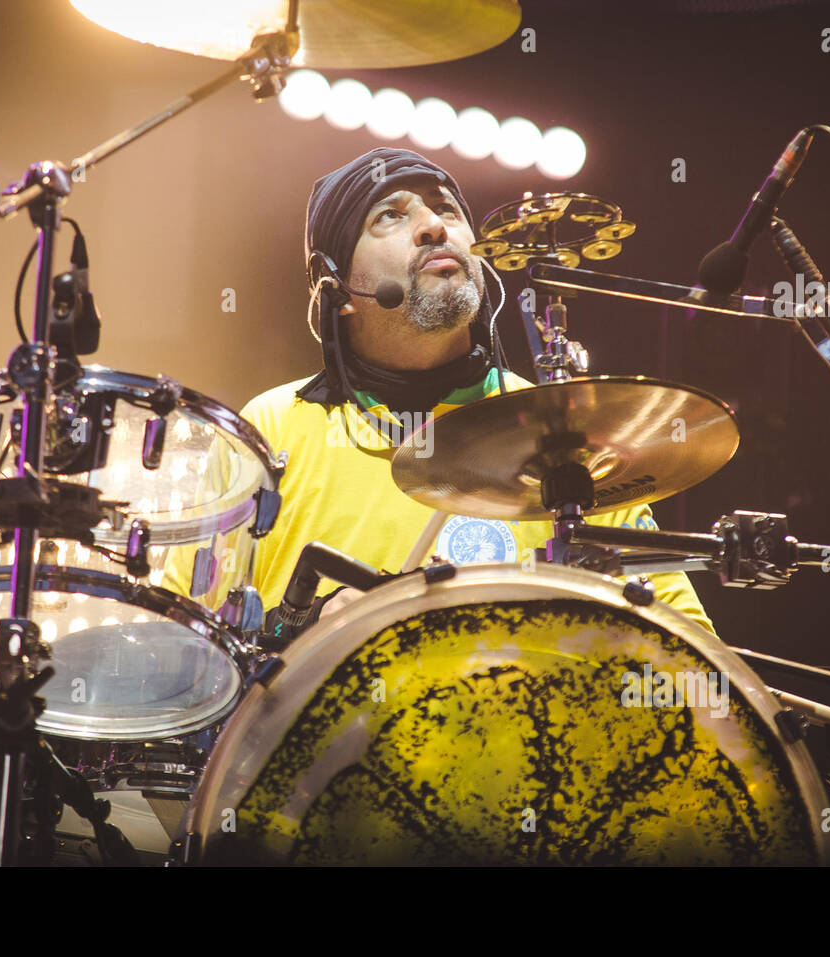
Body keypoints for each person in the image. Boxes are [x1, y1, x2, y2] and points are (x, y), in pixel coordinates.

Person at [240, 147, 715, 635]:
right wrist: (300, 626)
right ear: (334, 286)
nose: (433, 227)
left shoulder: (569, 431)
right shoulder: (267, 429)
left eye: (446, 209)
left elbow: (685, 649)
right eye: (390, 215)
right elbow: (190, 652)